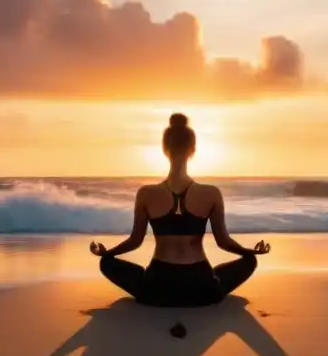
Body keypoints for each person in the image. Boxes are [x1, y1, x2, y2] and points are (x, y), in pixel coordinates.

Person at [91, 113, 270, 307]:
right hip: (202, 288)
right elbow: (223, 242)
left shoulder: (146, 194)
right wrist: (250, 251)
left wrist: (107, 253)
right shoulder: (211, 193)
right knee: (248, 261)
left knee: (107, 264)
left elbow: (135, 241)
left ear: (164, 149)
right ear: (192, 150)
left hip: (156, 288)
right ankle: (212, 281)